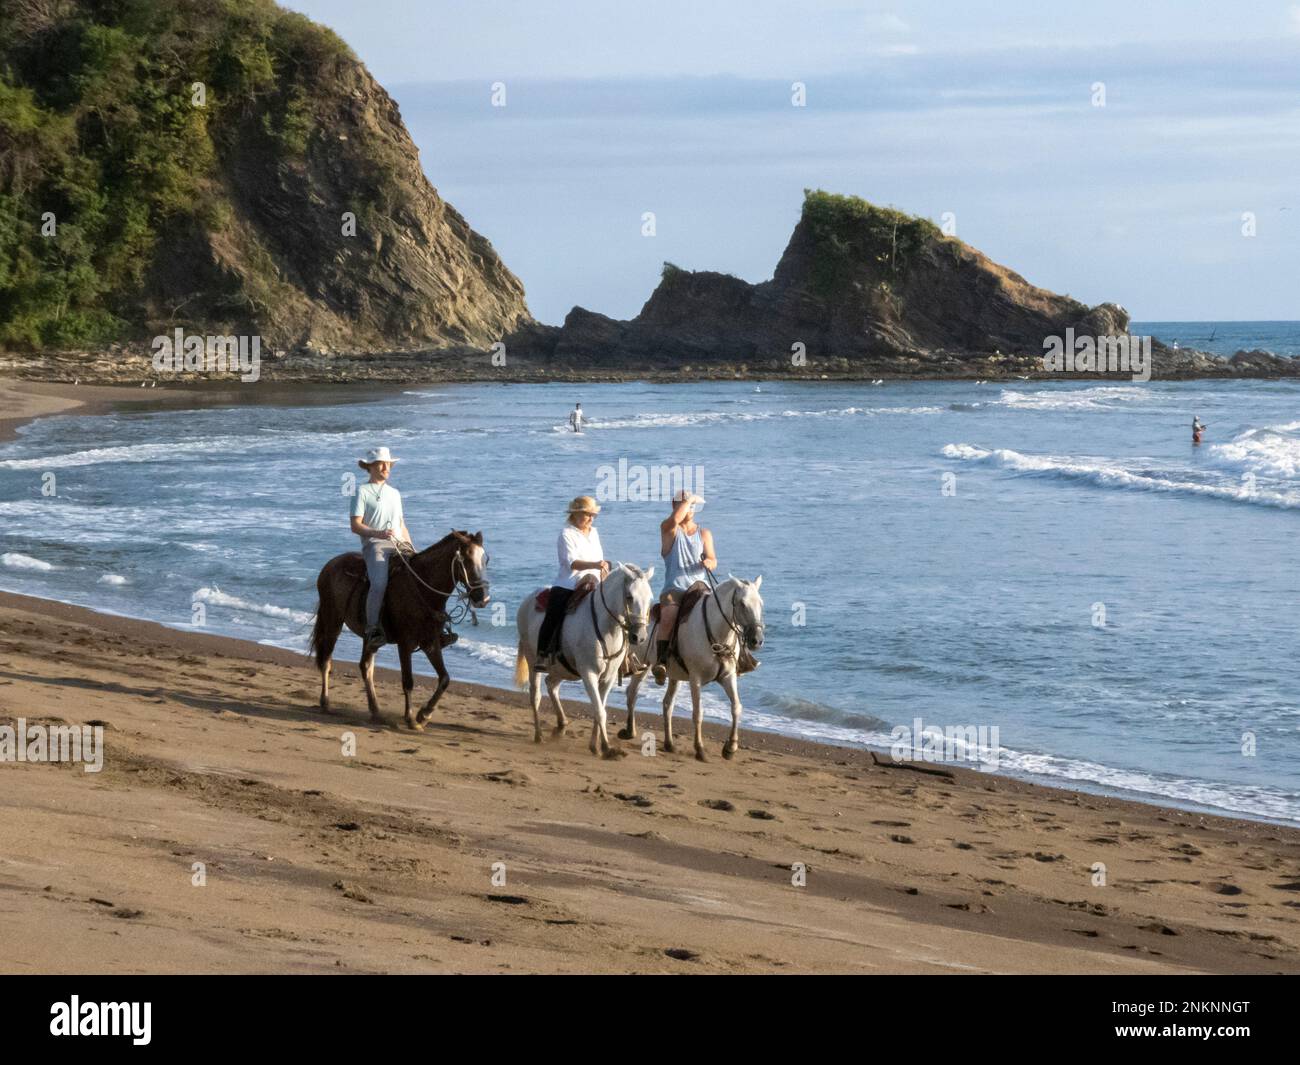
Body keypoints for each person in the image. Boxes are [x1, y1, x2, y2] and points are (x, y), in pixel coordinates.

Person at [350, 447, 412, 655]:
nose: (386, 467)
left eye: (388, 464)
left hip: (399, 543)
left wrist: (411, 547)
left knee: (423, 575)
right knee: (379, 583)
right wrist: (378, 533)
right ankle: (372, 628)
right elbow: (355, 525)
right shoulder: (362, 491)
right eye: (380, 464)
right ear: (370, 467)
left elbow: (402, 524)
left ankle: (435, 627)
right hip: (375, 544)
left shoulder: (395, 493)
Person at [652, 489, 716, 684]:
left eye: (692, 506)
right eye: (685, 505)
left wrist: (709, 562)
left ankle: (733, 658)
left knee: (722, 611)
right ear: (675, 506)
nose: (690, 508)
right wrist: (687, 501)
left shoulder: (704, 533)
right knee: (668, 617)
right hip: (675, 588)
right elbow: (675, 520)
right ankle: (661, 661)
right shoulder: (669, 529)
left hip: (699, 586)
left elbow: (713, 558)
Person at [536, 496, 608, 668]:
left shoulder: (594, 533)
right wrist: (595, 565)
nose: (591, 518)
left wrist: (604, 571)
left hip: (595, 581)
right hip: (569, 582)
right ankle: (542, 654)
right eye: (587, 514)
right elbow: (572, 563)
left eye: (593, 515)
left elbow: (600, 558)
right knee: (554, 613)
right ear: (575, 514)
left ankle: (624, 656)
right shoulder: (566, 534)